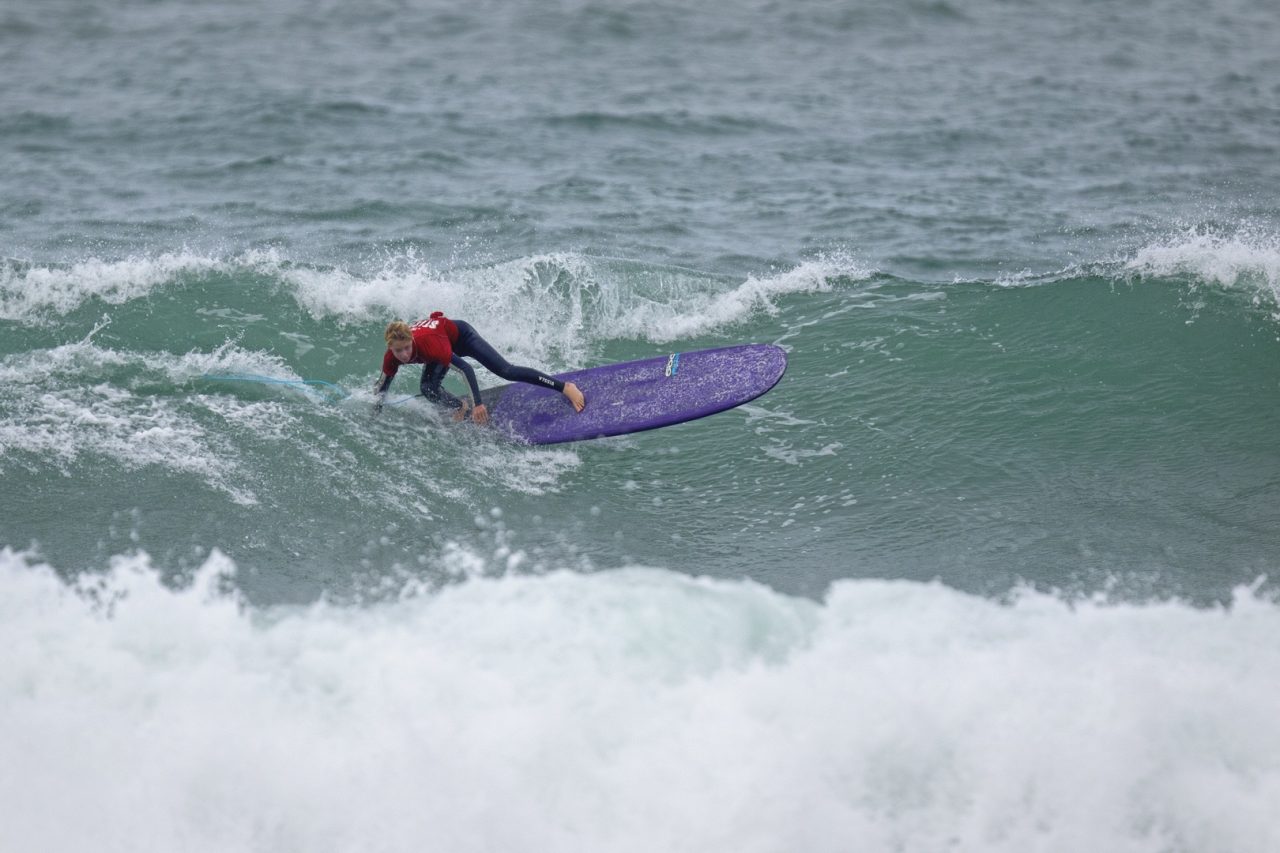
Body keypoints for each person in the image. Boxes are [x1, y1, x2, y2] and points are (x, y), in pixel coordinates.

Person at [373, 312, 585, 425]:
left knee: (506, 371)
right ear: (390, 347)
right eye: (398, 351)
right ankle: (459, 406)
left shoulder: (430, 346)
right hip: (441, 342)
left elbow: (466, 369)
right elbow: (382, 385)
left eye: (407, 348)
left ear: (411, 340)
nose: (404, 355)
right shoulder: (391, 357)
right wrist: (376, 411)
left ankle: (565, 387)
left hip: (462, 337)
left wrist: (478, 405)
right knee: (428, 388)